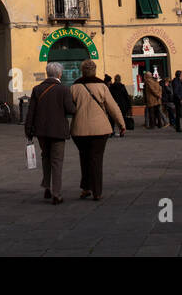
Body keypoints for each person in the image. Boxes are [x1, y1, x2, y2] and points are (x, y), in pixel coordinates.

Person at [69, 61, 125, 200]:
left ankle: (86, 188)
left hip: (79, 129)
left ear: (82, 71)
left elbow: (69, 108)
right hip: (100, 129)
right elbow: (113, 107)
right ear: (95, 71)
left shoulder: (74, 87)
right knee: (96, 159)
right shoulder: (102, 86)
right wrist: (121, 124)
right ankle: (97, 191)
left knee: (84, 158)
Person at [24, 62, 77, 204]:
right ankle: (57, 193)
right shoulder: (64, 90)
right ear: (60, 74)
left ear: (48, 73)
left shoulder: (37, 89)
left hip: (41, 131)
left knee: (46, 157)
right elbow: (71, 109)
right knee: (57, 162)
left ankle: (47, 186)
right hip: (58, 131)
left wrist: (28, 130)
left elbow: (31, 112)